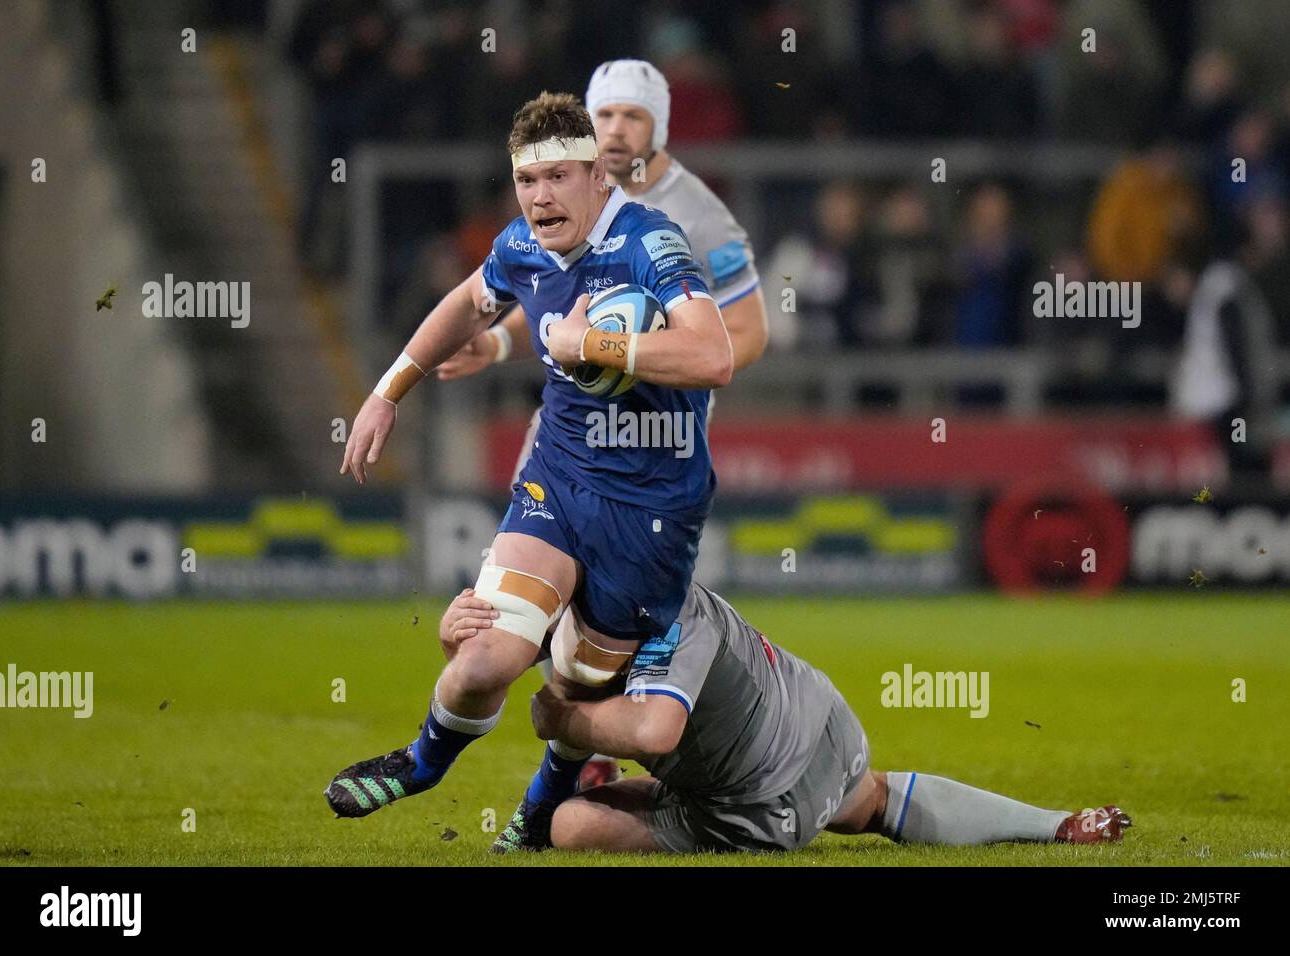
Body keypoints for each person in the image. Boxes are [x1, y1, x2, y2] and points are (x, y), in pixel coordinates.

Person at [326, 91, 734, 830]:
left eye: (558, 178)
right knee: (482, 656)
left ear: (597, 178)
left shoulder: (650, 243)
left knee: (577, 688)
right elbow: (466, 300)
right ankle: (418, 766)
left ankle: (539, 812)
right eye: (527, 181)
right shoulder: (521, 245)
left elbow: (713, 355)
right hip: (560, 480)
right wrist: (390, 390)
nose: (541, 197)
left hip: (651, 510)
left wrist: (595, 346)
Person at [437, 59, 767, 796]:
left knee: (605, 629)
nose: (617, 131)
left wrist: (649, 364)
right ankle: (516, 704)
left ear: (660, 127)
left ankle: (578, 751)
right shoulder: (567, 199)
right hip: (572, 434)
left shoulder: (700, 215)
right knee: (523, 602)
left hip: (652, 448)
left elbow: (743, 330)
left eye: (633, 117)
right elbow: (556, 302)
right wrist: (494, 343)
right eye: (605, 116)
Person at [438, 586, 1132, 854]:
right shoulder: (629, 582)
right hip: (821, 718)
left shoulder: (667, 620)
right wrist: (463, 645)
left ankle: (598, 778)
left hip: (759, 806)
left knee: (572, 823)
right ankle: (1056, 825)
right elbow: (561, 657)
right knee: (869, 799)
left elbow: (651, 730)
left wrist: (558, 720)